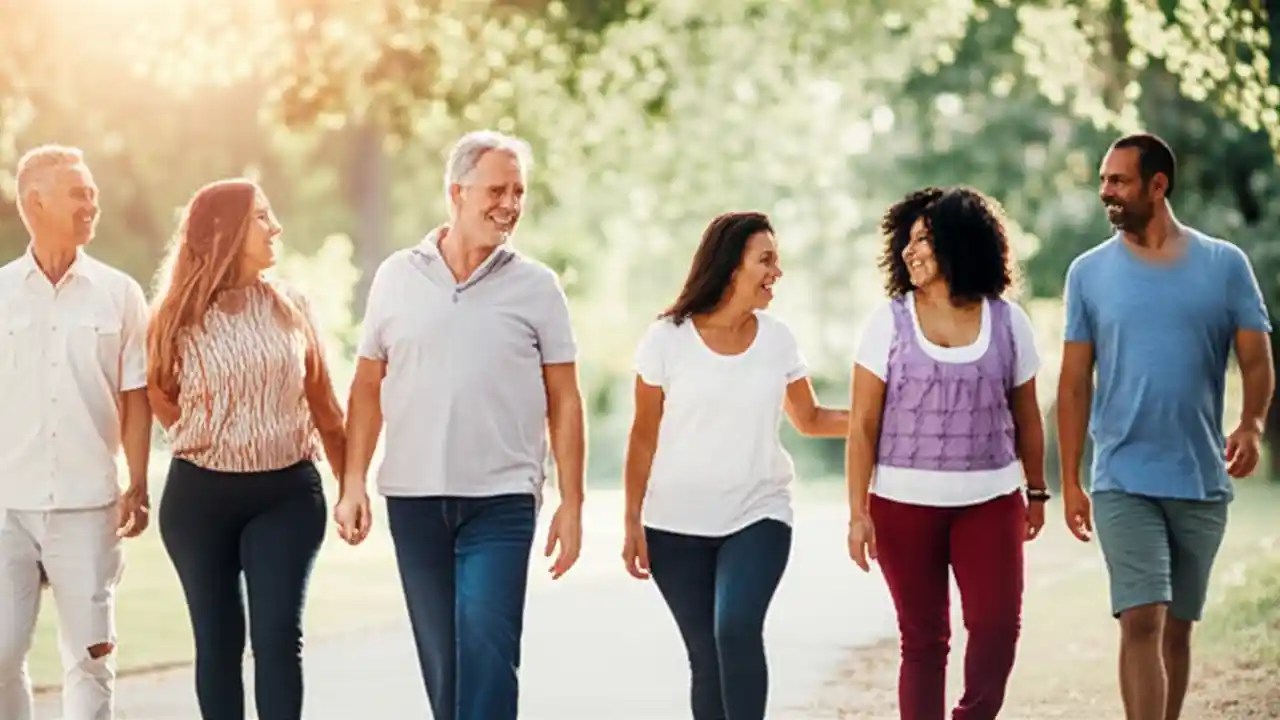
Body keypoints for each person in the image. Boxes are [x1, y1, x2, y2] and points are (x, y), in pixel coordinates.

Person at [336, 130, 586, 720]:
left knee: (487, 651)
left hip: (502, 499)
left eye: (518, 192)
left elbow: (566, 400)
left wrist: (572, 502)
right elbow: (367, 386)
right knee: (444, 666)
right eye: (497, 190)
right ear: (457, 192)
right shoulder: (397, 276)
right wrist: (353, 481)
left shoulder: (537, 287)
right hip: (414, 499)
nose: (510, 204)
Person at [1057, 133, 1274, 720]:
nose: (1106, 192)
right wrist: (1071, 480)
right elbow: (1074, 382)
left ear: (1158, 185)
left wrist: (1251, 424)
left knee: (1177, 629)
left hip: (1199, 477)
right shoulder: (1088, 273)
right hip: (1122, 477)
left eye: (1118, 181)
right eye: (1103, 180)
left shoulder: (1225, 266)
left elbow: (1256, 360)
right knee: (1141, 619)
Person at [621, 211, 848, 720]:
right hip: (673, 527)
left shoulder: (777, 339)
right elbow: (643, 436)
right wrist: (632, 520)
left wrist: (887, 419)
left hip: (757, 513)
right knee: (706, 658)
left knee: (736, 627)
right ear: (730, 266)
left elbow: (811, 419)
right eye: (766, 260)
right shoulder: (666, 339)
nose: (777, 272)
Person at [146, 179, 346, 720]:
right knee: (218, 643)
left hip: (286, 495)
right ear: (224, 230)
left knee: (278, 637)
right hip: (199, 500)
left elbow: (326, 407)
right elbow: (161, 395)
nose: (275, 227)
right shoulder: (173, 317)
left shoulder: (291, 306)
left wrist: (352, 488)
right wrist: (216, 434)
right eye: (261, 217)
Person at [846, 186, 1048, 720]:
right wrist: (857, 512)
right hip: (901, 505)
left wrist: (1037, 491)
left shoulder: (1009, 322)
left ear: (960, 242)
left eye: (923, 240)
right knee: (923, 640)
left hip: (991, 501)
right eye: (907, 240)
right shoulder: (887, 322)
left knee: (997, 628)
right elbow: (862, 425)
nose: (909, 251)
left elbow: (1028, 417)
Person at [0, 145, 151, 720]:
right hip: (6, 507)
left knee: (89, 662)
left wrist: (138, 482)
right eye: (78, 194)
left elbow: (136, 396)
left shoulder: (120, 293)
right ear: (35, 203)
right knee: (0, 655)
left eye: (93, 193)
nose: (92, 204)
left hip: (90, 507)